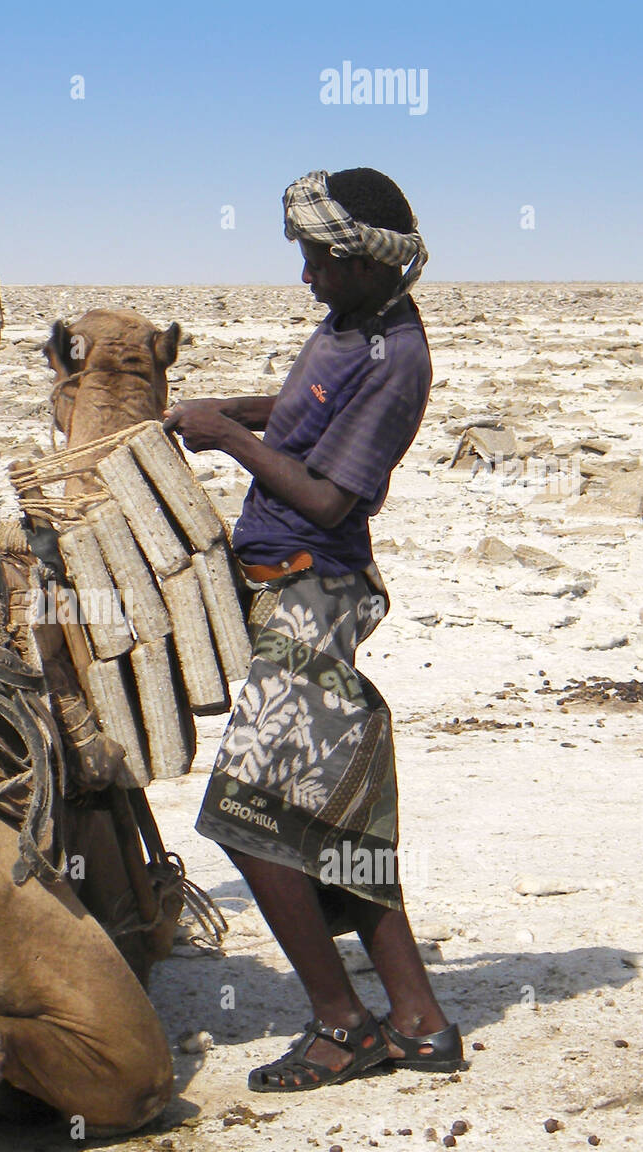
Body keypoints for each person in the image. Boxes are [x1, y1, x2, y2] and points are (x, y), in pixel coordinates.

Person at [163, 167, 461, 1092]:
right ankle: (420, 1020)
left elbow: (331, 499)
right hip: (286, 583)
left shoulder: (395, 359)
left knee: (251, 822)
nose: (306, 277)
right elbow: (299, 419)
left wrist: (229, 440)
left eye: (318, 260)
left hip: (314, 592)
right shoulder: (345, 328)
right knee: (338, 815)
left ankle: (344, 1024)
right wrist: (218, 413)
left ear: (366, 262)